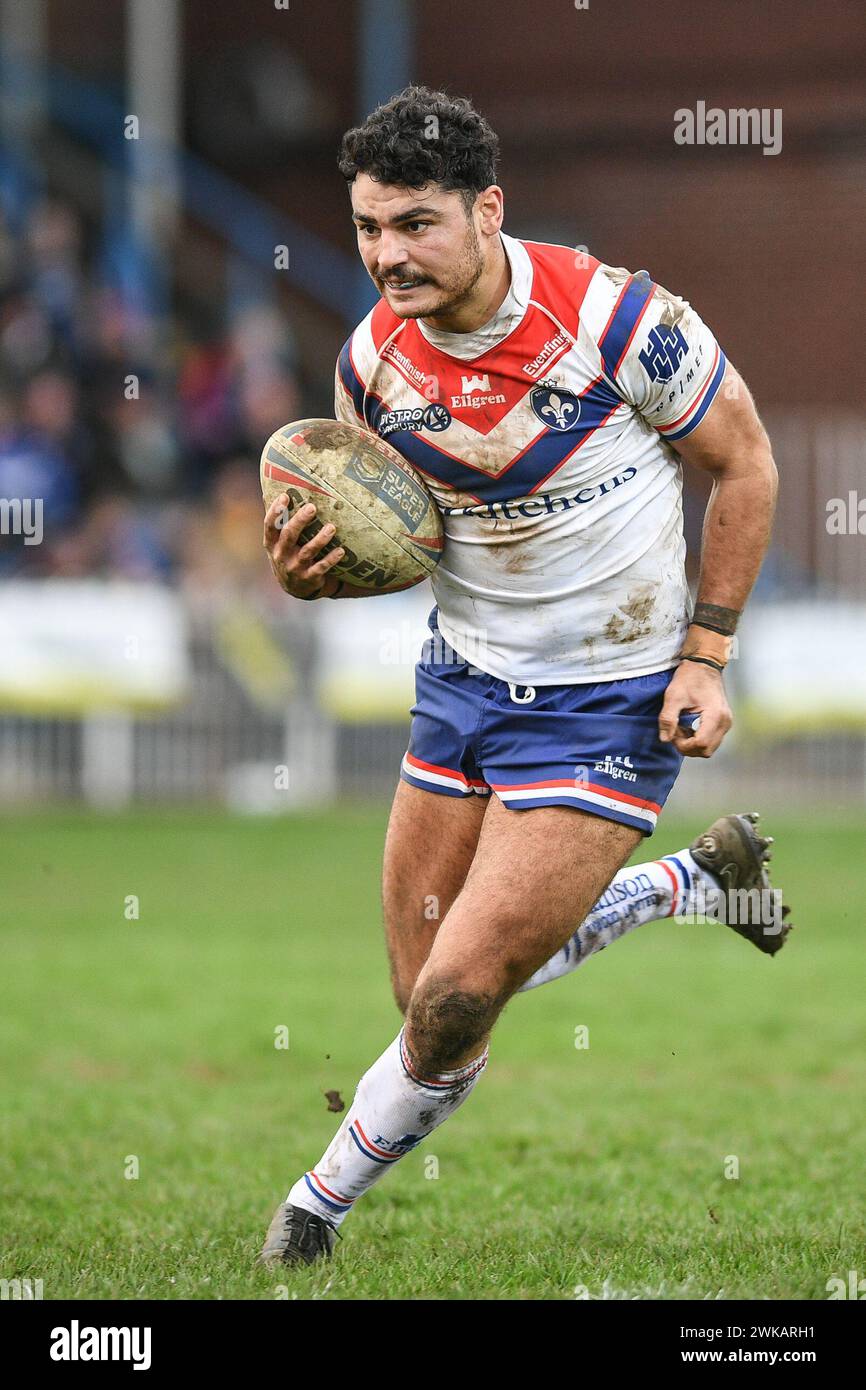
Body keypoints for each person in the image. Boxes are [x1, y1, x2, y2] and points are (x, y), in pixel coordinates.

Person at [259, 86, 789, 1266]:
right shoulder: (370, 366)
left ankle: (310, 1211)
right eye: (366, 228)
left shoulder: (617, 322)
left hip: (609, 698)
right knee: (423, 999)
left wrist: (704, 653)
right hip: (461, 687)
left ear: (486, 209)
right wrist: (315, 575)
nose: (385, 255)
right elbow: (406, 542)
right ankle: (686, 888)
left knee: (455, 999)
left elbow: (744, 464)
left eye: (414, 225)